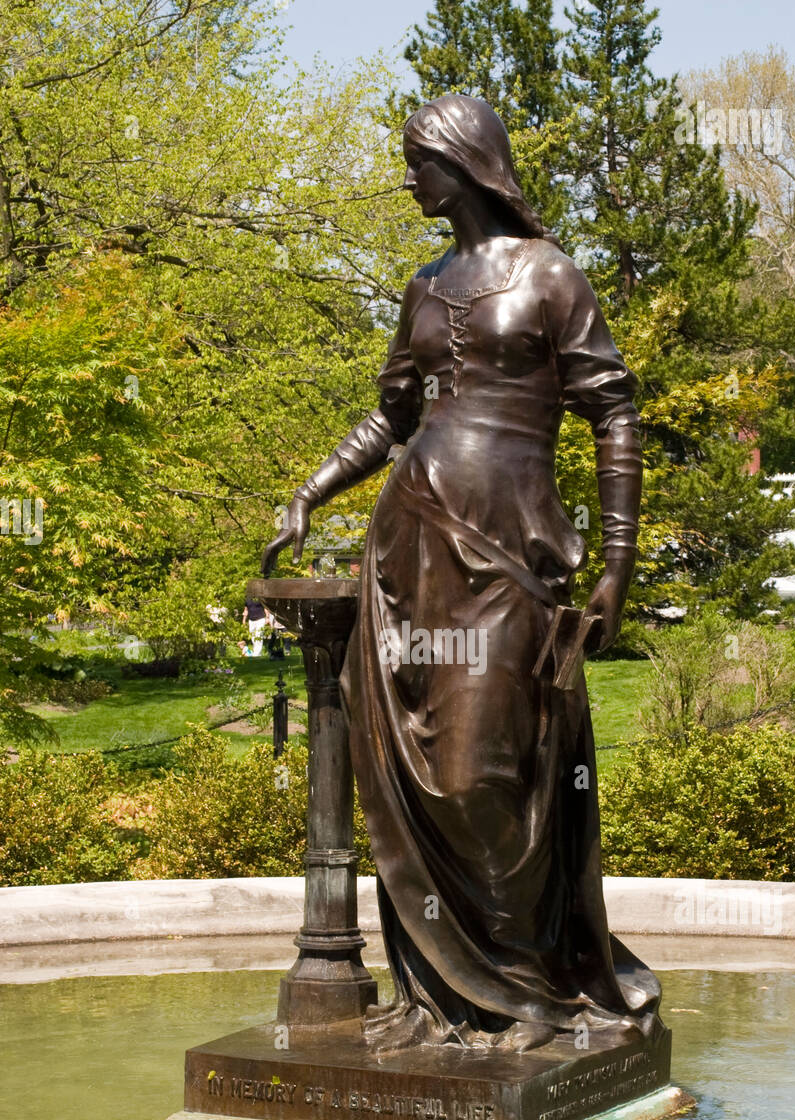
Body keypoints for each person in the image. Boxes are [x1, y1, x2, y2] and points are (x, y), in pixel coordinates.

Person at [263, 94, 661, 1055]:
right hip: (411, 550)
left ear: (467, 163)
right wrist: (310, 492)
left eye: (419, 160)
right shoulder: (425, 286)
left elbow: (614, 412)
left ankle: (529, 990)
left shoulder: (551, 278)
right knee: (402, 765)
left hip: (511, 554)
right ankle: (445, 1001)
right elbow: (393, 417)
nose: (408, 178)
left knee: (481, 766)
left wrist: (616, 559)